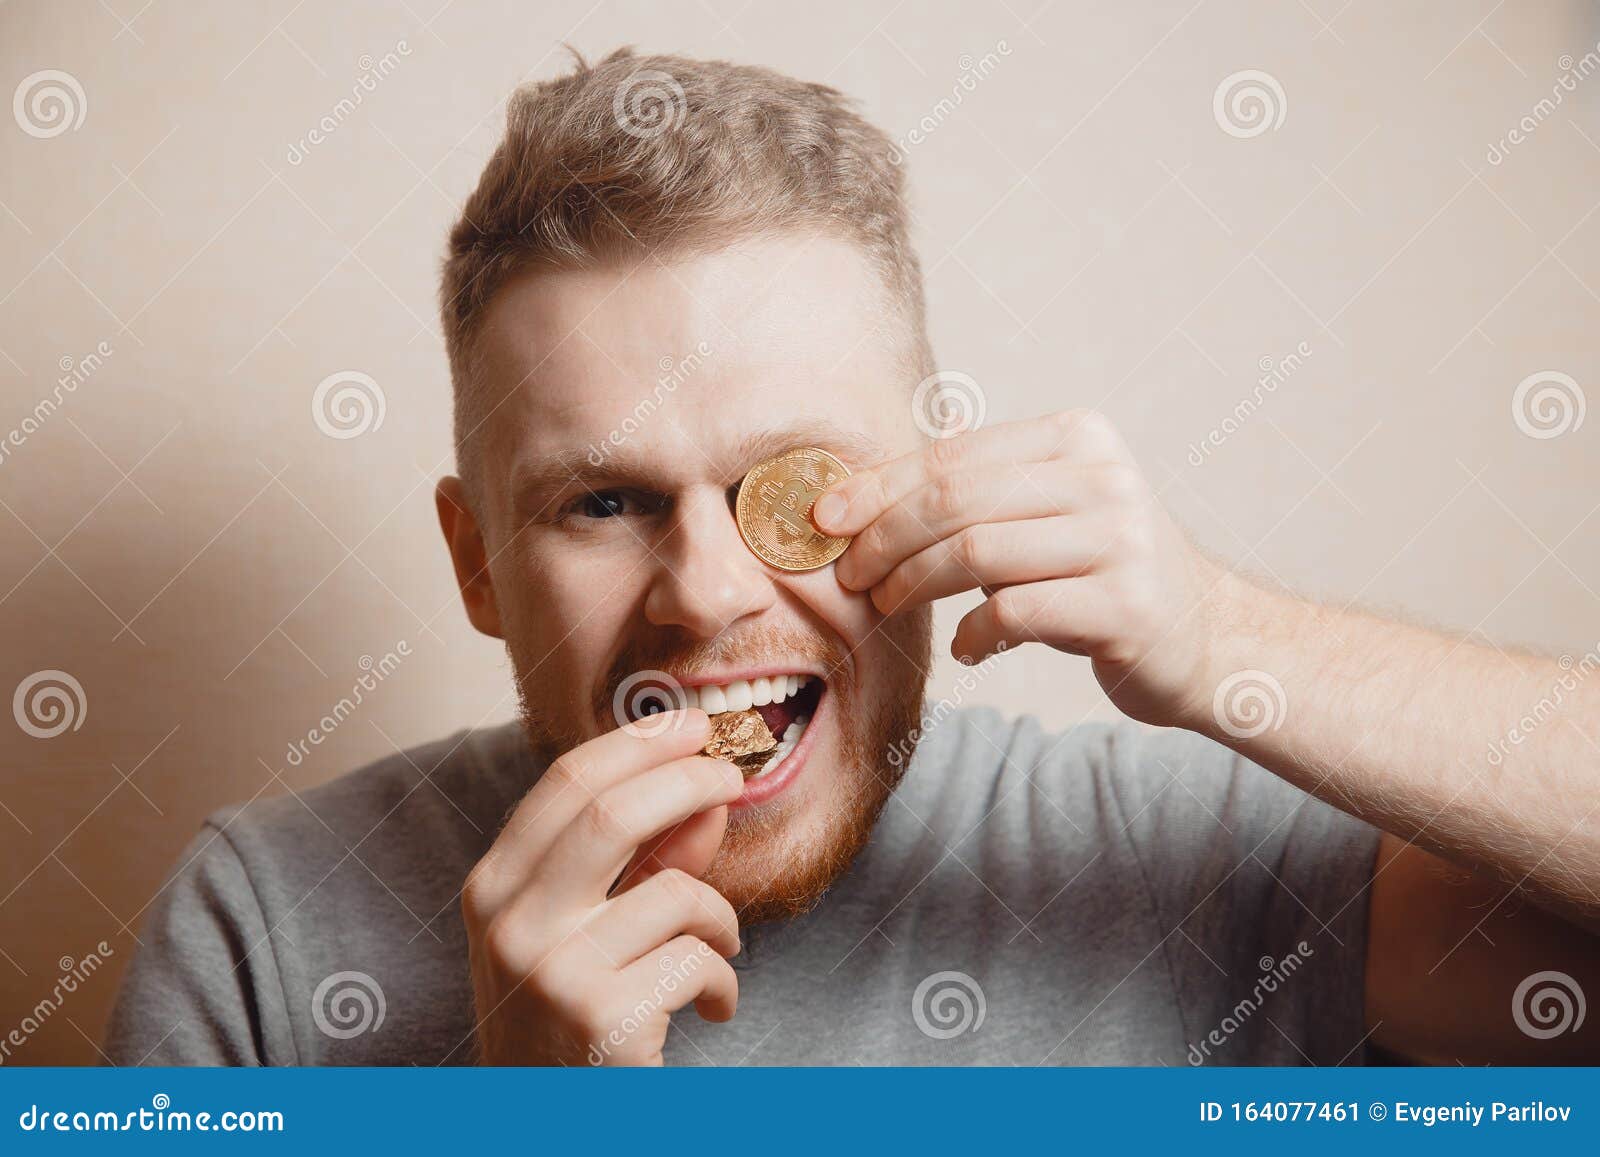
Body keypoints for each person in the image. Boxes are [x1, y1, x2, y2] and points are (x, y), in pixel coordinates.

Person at [107, 48, 1598, 1067]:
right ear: (478, 561)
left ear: (927, 481)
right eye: (604, 502)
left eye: (788, 485)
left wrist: (1230, 642)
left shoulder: (1183, 871)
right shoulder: (265, 936)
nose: (706, 592)